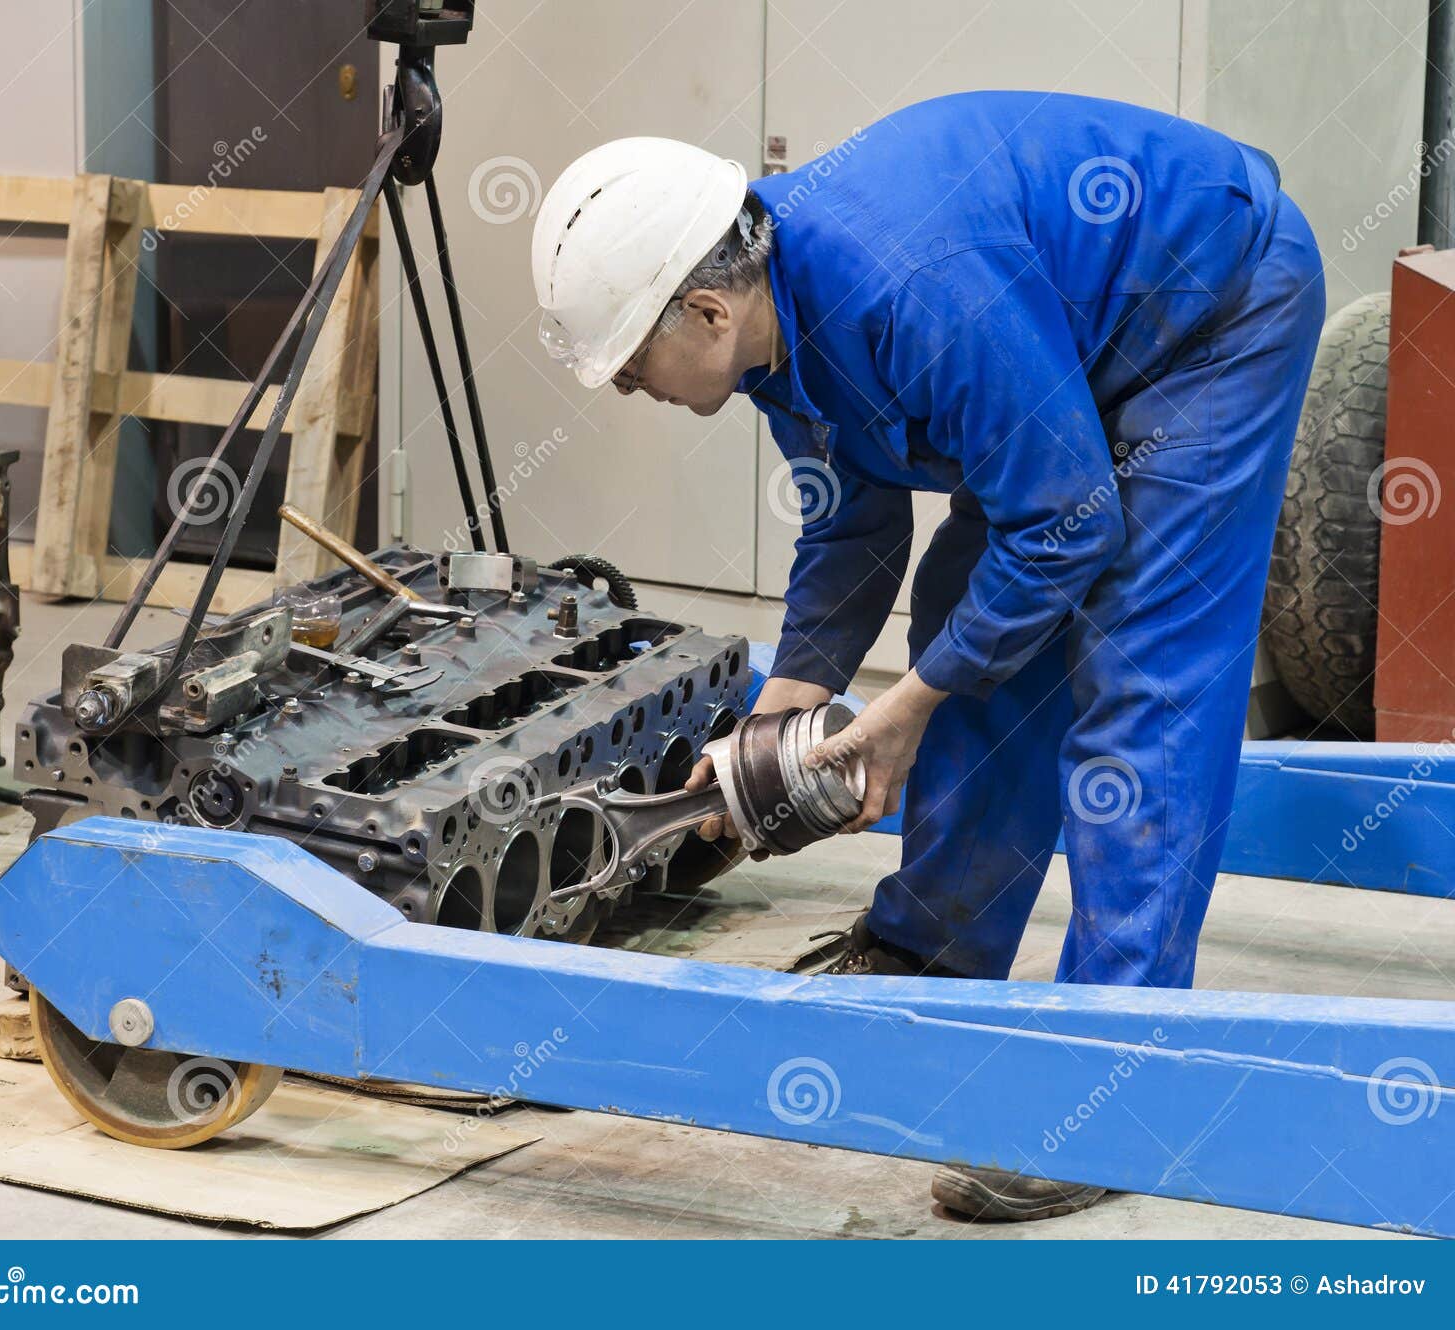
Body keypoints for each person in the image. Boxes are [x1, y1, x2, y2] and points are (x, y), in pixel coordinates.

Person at [531, 92, 1325, 1221]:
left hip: (1212, 322)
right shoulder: (778, 317)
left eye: (627, 366)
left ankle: (1119, 1084)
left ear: (705, 310)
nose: (627, 391)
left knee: (1137, 674)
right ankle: (933, 951)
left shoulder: (909, 286)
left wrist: (902, 710)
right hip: (1071, 333)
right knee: (968, 605)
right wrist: (783, 712)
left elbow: (1067, 524)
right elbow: (852, 525)